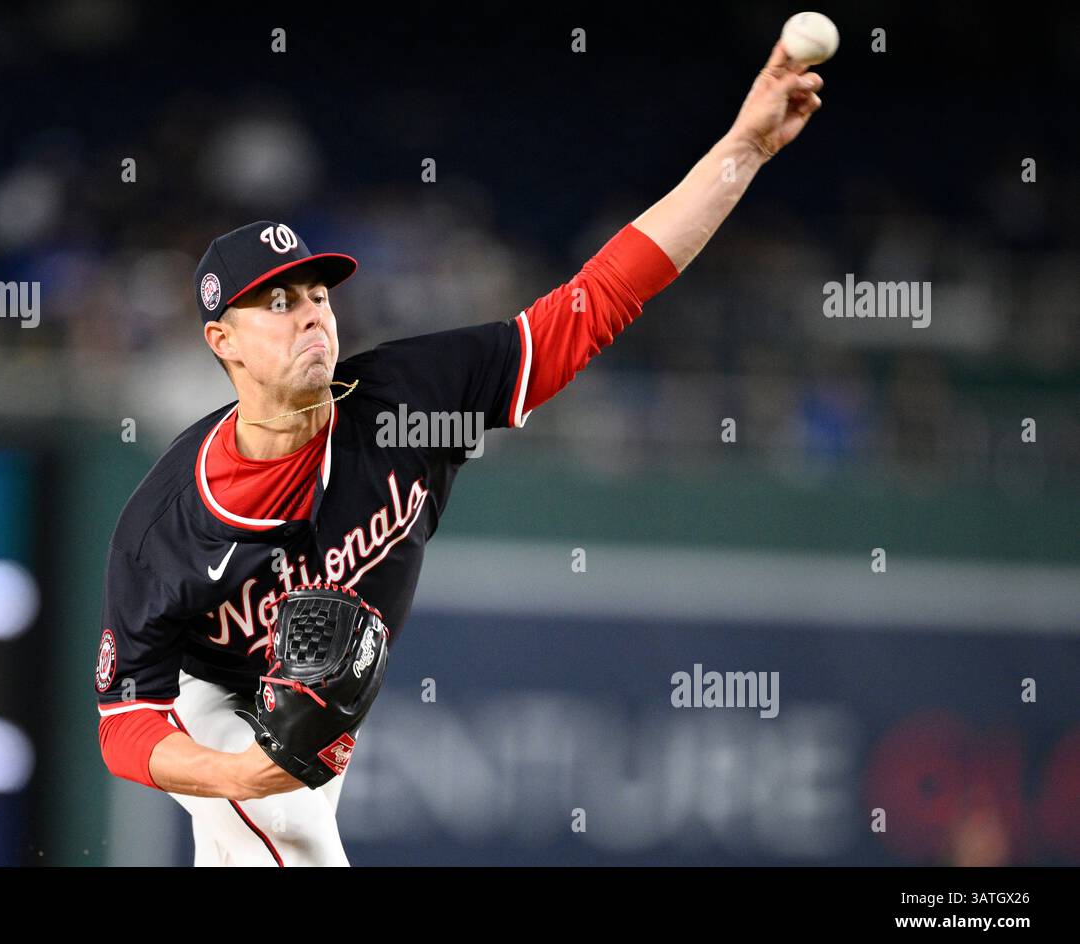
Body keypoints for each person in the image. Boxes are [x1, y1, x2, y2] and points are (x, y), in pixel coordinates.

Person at [95, 42, 824, 865]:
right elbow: (125, 725)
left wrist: (745, 149)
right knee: (287, 829)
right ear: (221, 341)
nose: (310, 315)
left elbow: (602, 298)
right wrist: (236, 771)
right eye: (277, 302)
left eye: (318, 294)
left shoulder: (413, 401)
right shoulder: (166, 524)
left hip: (316, 701)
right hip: (214, 692)